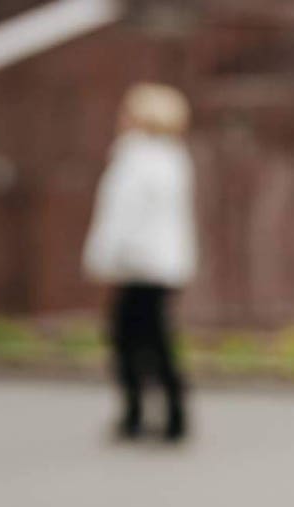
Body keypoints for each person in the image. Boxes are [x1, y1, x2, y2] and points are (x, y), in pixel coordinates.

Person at [81, 82, 198, 441]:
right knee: (152, 337)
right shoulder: (173, 158)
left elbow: (121, 216)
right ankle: (169, 411)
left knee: (132, 338)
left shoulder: (136, 158)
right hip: (161, 263)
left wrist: (105, 258)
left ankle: (139, 412)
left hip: (137, 263)